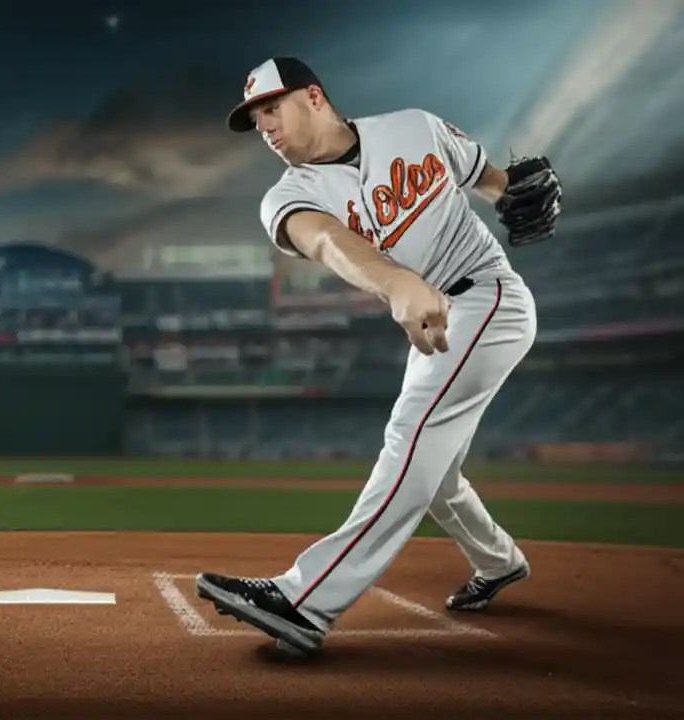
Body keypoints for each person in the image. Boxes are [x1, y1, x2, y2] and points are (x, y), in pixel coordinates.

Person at [195, 57, 562, 657]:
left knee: (410, 436)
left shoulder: (414, 127)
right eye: (254, 119)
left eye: (271, 108)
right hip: (435, 320)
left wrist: (509, 192)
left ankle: (304, 601)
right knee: (435, 471)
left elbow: (490, 178)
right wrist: (393, 281)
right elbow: (329, 241)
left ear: (314, 97)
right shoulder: (288, 196)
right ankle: (499, 561)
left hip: (489, 293)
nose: (263, 126)